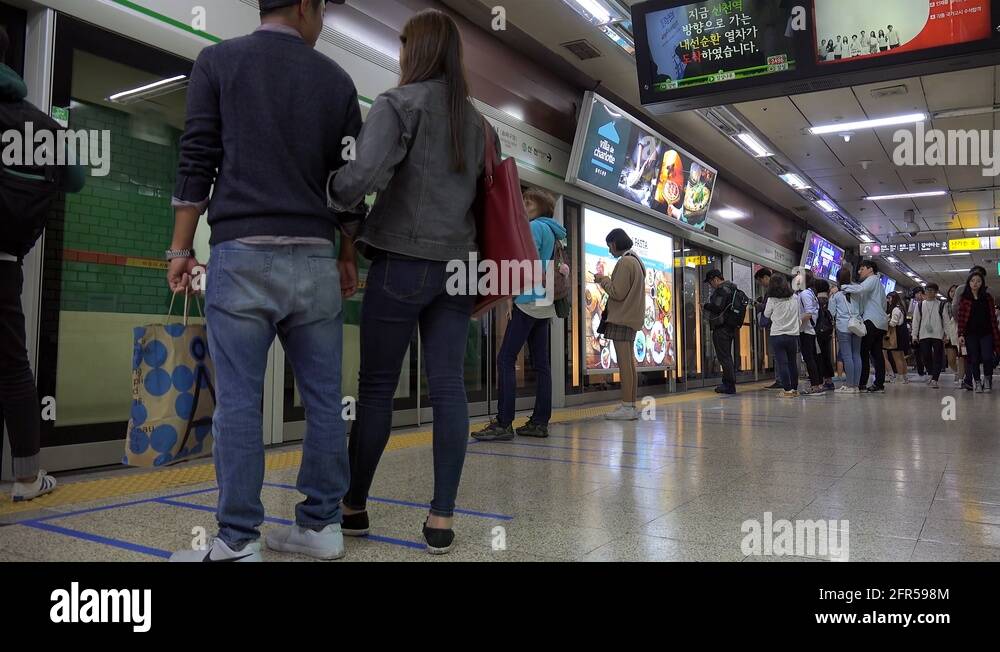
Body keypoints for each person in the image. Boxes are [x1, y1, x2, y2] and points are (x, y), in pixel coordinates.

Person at [166, 0, 359, 563]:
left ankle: (238, 539)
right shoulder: (337, 80)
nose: (320, 21)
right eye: (321, 9)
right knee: (326, 400)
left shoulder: (217, 62)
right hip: (316, 258)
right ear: (303, 6)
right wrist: (348, 253)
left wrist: (181, 248)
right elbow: (349, 182)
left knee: (239, 403)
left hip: (240, 255)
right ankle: (322, 526)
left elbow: (197, 157)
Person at [327, 9, 496, 554]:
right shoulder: (480, 124)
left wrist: (328, 190)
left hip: (401, 261)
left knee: (377, 388)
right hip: (458, 270)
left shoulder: (399, 104)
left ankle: (354, 506)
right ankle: (441, 518)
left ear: (416, 51)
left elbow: (361, 178)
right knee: (448, 387)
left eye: (404, 46)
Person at [0, 26, 86, 501]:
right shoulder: (40, 127)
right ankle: (28, 477)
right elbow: (75, 180)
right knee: (12, 367)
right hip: (5, 264)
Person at [475, 189, 565, 441]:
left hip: (528, 300)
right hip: (544, 301)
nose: (524, 204)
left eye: (530, 202)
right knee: (542, 364)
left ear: (542, 207)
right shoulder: (553, 231)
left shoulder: (535, 227)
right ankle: (539, 422)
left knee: (505, 358)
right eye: (524, 200)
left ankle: (503, 423)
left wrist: (513, 296)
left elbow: (526, 265)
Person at [595, 228, 647, 419]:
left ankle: (627, 407)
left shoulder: (625, 262)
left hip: (622, 318)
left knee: (625, 365)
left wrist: (603, 280)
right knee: (629, 364)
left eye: (609, 246)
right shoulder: (636, 262)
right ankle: (630, 404)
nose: (609, 251)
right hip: (631, 318)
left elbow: (617, 292)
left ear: (615, 244)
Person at [841, 259, 889, 392]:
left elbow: (861, 289)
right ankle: (879, 383)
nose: (859, 271)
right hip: (880, 323)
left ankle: (861, 382)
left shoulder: (872, 279)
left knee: (863, 352)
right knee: (877, 353)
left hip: (871, 321)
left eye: (862, 269)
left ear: (870, 269)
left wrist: (843, 287)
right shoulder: (879, 285)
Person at [955, 271, 1000, 393]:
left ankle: (987, 379)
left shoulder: (987, 298)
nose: (975, 283)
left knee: (987, 357)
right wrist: (961, 334)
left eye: (978, 281)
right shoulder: (964, 299)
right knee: (973, 359)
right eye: (973, 281)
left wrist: (996, 333)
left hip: (986, 333)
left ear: (982, 283)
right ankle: (977, 382)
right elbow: (961, 319)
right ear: (969, 283)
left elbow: (992, 317)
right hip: (970, 334)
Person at [703, 269, 739, 395]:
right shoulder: (732, 288)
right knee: (727, 356)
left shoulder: (722, 290)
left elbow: (717, 307)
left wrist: (705, 305)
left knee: (724, 357)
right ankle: (728, 383)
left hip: (721, 328)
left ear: (715, 279)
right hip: (730, 327)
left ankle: (729, 385)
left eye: (710, 282)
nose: (710, 286)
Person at [764, 273, 800, 398]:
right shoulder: (795, 297)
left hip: (777, 335)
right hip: (792, 335)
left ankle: (787, 390)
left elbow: (766, 315)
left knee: (782, 364)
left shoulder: (771, 299)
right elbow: (798, 314)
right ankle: (794, 389)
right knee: (792, 363)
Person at [830, 268, 862, 393]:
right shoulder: (857, 293)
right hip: (857, 326)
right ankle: (856, 386)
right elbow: (862, 309)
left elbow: (832, 312)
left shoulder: (836, 295)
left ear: (837, 279)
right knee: (856, 355)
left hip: (843, 327)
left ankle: (849, 385)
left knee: (847, 356)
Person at [796, 269, 824, 395]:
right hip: (810, 330)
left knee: (809, 358)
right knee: (812, 358)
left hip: (806, 330)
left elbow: (808, 313)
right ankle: (817, 383)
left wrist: (796, 323)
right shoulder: (810, 293)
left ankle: (815, 385)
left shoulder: (805, 294)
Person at [912, 282, 946, 389]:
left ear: (936, 292)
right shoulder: (920, 305)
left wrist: (947, 335)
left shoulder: (941, 304)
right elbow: (916, 321)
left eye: (931, 290)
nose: (929, 292)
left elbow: (946, 321)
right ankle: (931, 373)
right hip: (923, 334)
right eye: (927, 290)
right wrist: (914, 335)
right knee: (925, 356)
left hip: (938, 334)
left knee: (937, 357)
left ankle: (935, 379)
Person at [753, 267, 782, 390]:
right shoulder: (783, 291)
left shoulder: (771, 291)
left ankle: (780, 380)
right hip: (784, 327)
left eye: (760, 281)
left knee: (777, 354)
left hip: (775, 327)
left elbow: (768, 309)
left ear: (766, 277)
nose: (761, 284)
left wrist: (758, 305)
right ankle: (784, 379)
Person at [813, 278, 836, 390]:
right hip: (828, 331)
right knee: (826, 355)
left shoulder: (816, 300)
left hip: (818, 331)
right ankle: (829, 380)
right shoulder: (830, 299)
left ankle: (820, 380)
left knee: (818, 355)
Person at [884, 292, 909, 384]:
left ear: (893, 298)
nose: (888, 300)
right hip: (903, 334)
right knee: (902, 357)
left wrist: (886, 321)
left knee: (897, 357)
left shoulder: (895, 309)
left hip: (897, 335)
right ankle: (905, 376)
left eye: (889, 298)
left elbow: (893, 323)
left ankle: (900, 377)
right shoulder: (901, 308)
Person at [944, 284, 964, 387]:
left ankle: (961, 378)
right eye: (951, 291)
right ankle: (956, 372)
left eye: (955, 291)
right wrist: (945, 335)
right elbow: (944, 321)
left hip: (960, 334)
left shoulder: (963, 304)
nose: (953, 293)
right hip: (949, 335)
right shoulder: (945, 305)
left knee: (961, 357)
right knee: (951, 359)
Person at [911, 287, 927, 377]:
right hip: (919, 332)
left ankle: (926, 370)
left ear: (920, 293)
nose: (916, 297)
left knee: (925, 353)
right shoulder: (918, 305)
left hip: (926, 332)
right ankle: (921, 370)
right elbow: (915, 320)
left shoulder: (925, 304)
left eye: (916, 294)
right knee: (918, 352)